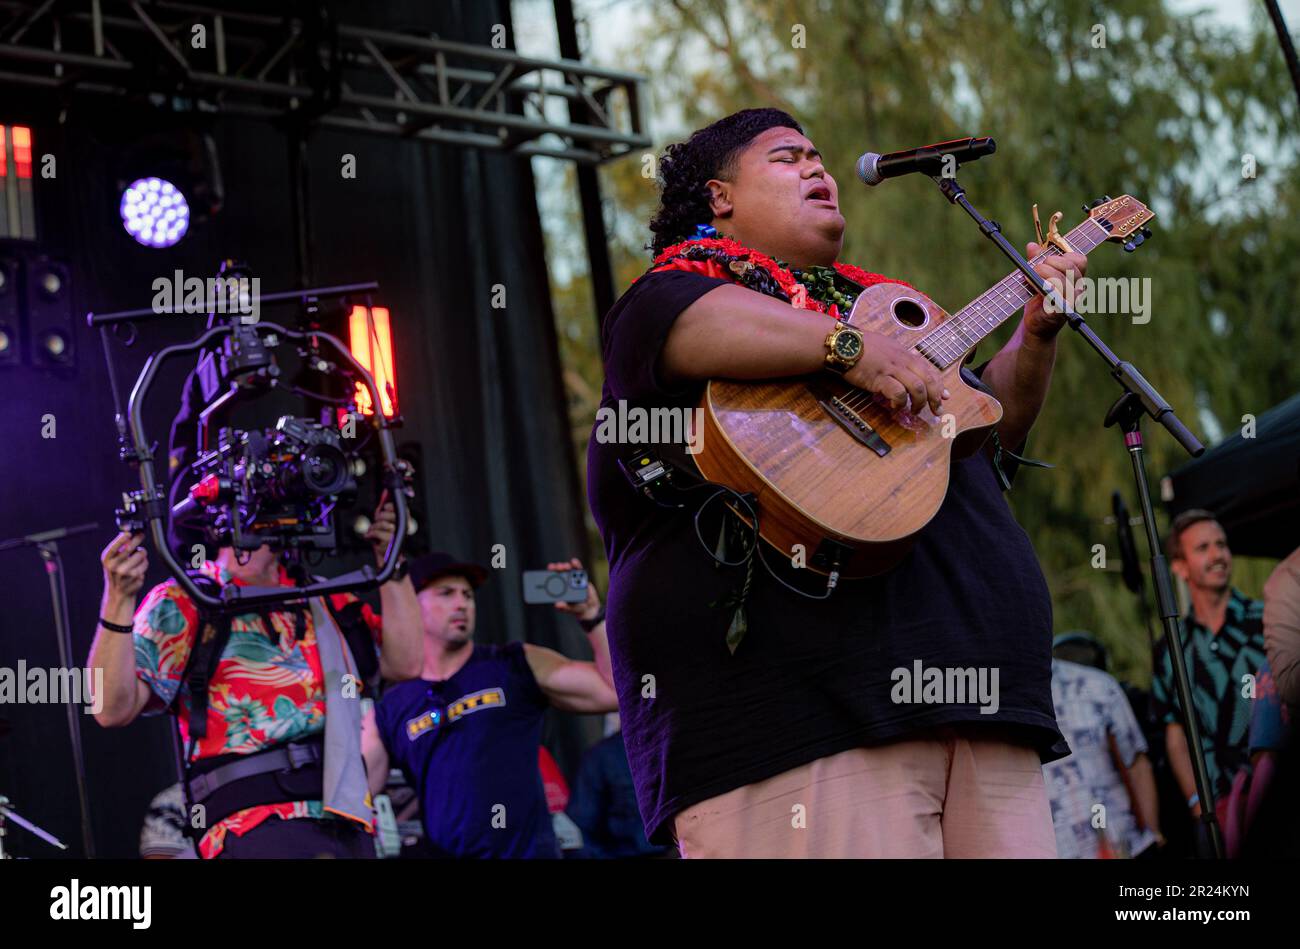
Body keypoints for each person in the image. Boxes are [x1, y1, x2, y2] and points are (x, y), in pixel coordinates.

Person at [586, 108, 1087, 858]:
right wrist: (848, 348)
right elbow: (678, 323)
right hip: (800, 728)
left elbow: (990, 426)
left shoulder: (883, 308)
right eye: (788, 158)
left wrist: (1036, 333)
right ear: (720, 198)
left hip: (983, 708)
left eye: (820, 153)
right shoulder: (670, 298)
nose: (819, 167)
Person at [89, 501, 423, 858]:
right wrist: (118, 601)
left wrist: (393, 563)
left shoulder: (322, 596)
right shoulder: (187, 599)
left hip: (345, 819)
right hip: (250, 823)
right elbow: (110, 709)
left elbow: (405, 663)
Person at [363, 555, 618, 858]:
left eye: (468, 595)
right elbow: (355, 793)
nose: (462, 604)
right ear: (409, 605)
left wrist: (592, 616)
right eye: (446, 593)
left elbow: (613, 691)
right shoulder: (392, 706)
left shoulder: (513, 664)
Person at [1151, 509, 1267, 837]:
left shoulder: (1268, 619)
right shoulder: (1170, 646)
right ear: (1179, 566)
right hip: (1216, 812)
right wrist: (1196, 803)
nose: (1217, 555)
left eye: (1221, 545)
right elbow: (1176, 737)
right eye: (1203, 548)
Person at [1043, 634, 1162, 859]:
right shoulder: (995, 702)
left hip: (1126, 845)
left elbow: (1136, 763)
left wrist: (1152, 833)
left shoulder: (1099, 686)